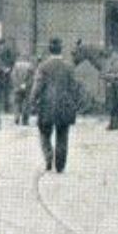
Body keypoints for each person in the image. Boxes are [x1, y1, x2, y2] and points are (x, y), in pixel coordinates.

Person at [31, 37, 81, 173]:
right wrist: (74, 104)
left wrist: (32, 102)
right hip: (65, 107)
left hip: (46, 107)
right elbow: (75, 88)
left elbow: (37, 87)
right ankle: (60, 166)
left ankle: (48, 157)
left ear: (49, 49)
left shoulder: (43, 67)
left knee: (44, 134)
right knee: (62, 136)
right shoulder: (69, 67)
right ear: (61, 50)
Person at [10, 52, 36, 126]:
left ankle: (17, 117)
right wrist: (26, 84)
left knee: (17, 102)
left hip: (17, 87)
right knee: (26, 103)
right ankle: (25, 119)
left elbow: (13, 76)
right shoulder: (30, 66)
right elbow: (32, 77)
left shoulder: (16, 65)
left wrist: (17, 85)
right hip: (27, 88)